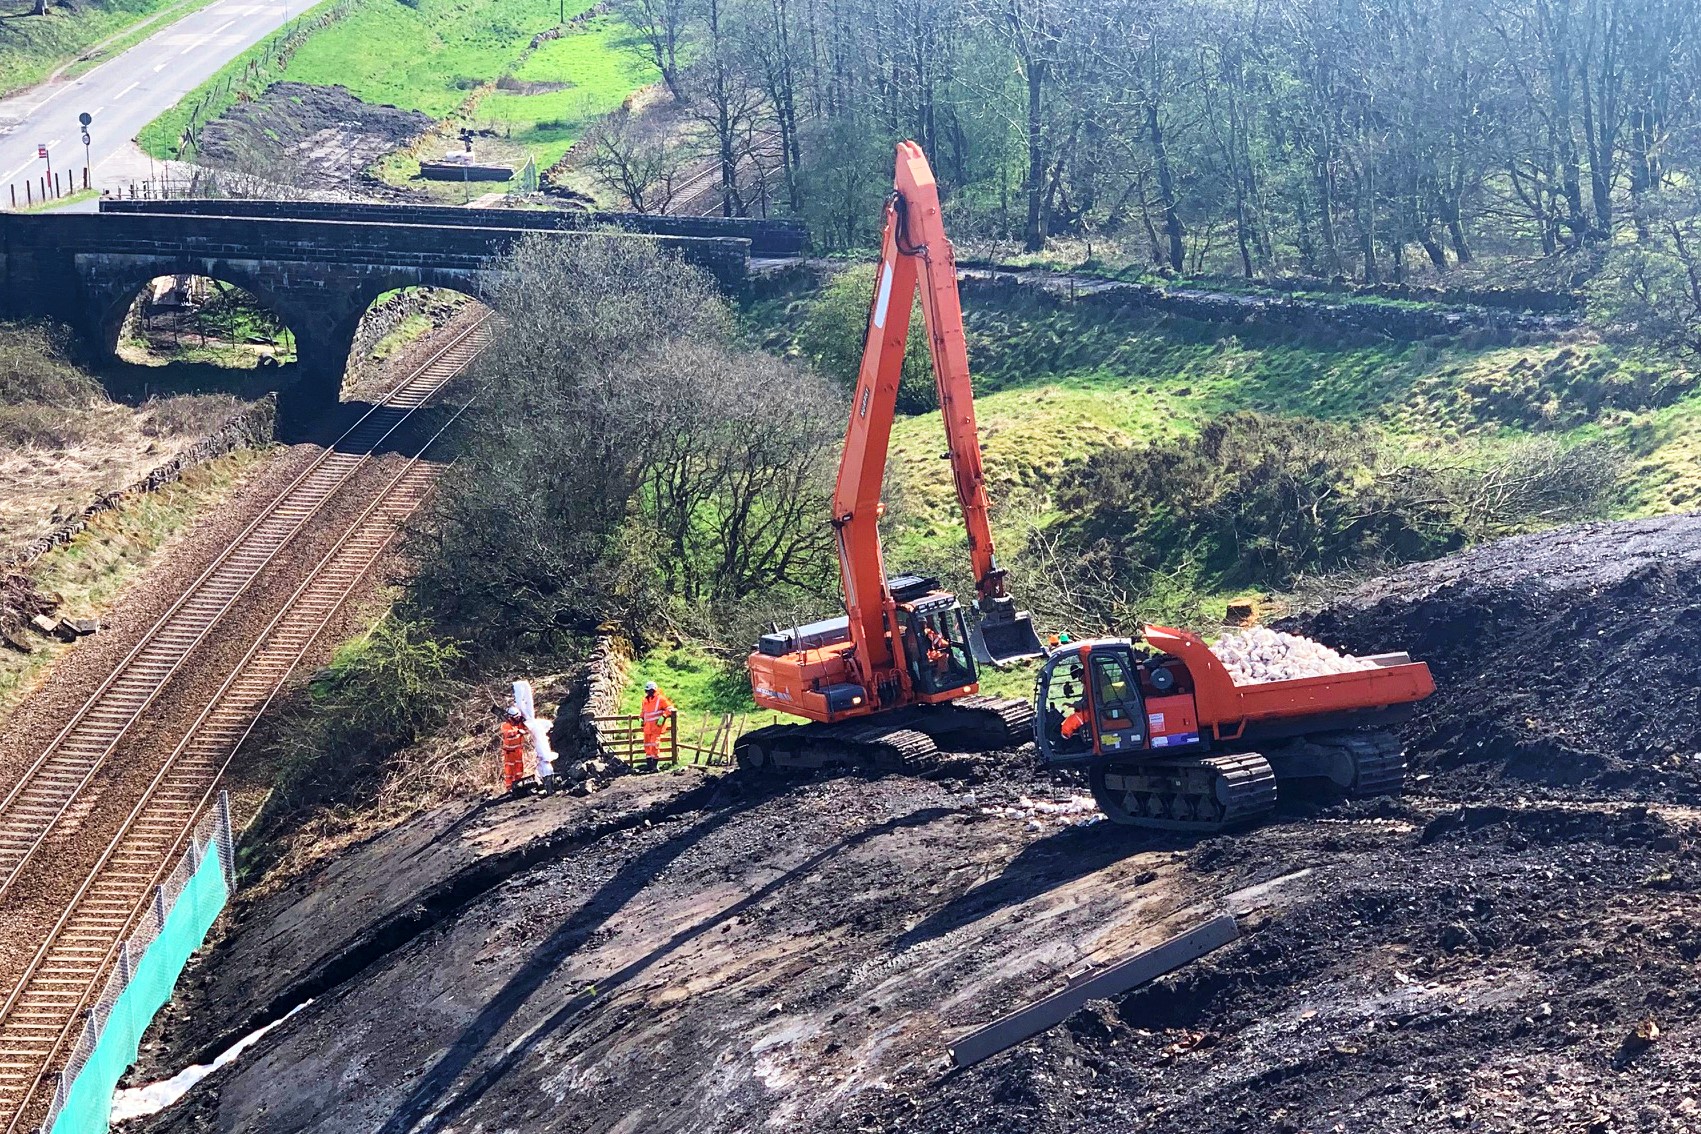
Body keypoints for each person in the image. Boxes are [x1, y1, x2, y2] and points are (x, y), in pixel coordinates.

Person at [639, 681, 675, 772]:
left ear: (653, 690)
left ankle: (654, 766)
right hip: (647, 728)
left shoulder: (660, 699)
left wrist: (664, 716)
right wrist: (641, 718)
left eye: (649, 691)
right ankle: (649, 766)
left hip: (656, 727)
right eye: (646, 691)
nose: (647, 692)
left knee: (655, 745)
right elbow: (643, 712)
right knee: (647, 746)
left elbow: (670, 708)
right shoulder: (645, 700)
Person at [497, 705, 528, 792]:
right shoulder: (506, 725)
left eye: (518, 717)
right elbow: (508, 733)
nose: (518, 718)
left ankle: (518, 784)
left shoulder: (520, 723)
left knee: (519, 769)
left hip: (518, 751)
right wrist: (517, 731)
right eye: (516, 717)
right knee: (509, 771)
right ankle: (509, 787)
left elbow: (526, 729)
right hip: (509, 752)